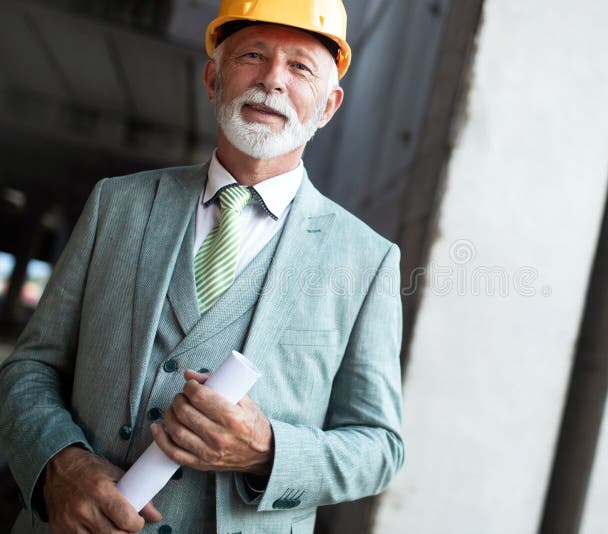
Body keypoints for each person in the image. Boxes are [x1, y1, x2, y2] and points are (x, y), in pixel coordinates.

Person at [0, 1, 404, 532]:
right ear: (213, 79)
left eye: (300, 67)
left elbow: (380, 447)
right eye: (252, 56)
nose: (272, 80)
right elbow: (30, 368)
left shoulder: (367, 260)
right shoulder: (117, 205)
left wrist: (267, 450)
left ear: (328, 106)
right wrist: (61, 465)